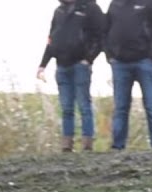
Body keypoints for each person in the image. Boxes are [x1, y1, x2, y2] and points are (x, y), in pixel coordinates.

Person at [36, 0, 106, 152]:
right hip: (61, 65)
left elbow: (101, 36)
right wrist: (43, 64)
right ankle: (67, 144)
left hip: (80, 65)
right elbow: (51, 39)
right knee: (66, 107)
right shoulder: (59, 11)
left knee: (83, 105)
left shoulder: (91, 8)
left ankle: (87, 143)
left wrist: (89, 59)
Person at [105, 0, 152, 150]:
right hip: (120, 63)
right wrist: (110, 55)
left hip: (145, 62)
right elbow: (106, 30)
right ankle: (117, 146)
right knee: (120, 107)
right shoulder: (115, 4)